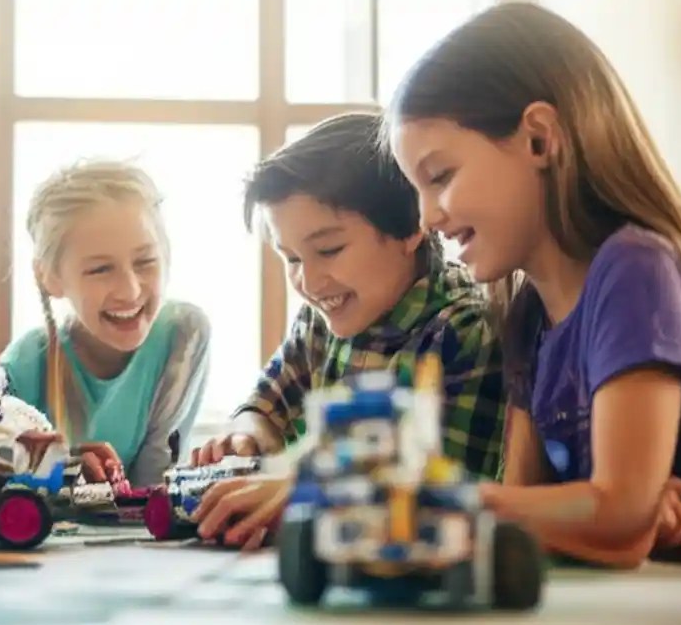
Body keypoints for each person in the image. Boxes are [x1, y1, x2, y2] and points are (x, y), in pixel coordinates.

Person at [385, 2, 681, 567]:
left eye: (440, 177)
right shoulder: (526, 318)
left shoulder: (634, 269)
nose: (428, 218)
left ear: (539, 138)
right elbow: (532, 509)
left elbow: (618, 518)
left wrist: (412, 503)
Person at [192, 112, 506, 549]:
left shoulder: (464, 331)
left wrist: (298, 491)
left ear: (412, 226)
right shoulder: (320, 322)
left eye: (329, 249)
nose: (310, 282)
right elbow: (264, 408)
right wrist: (245, 438)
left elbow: (433, 493)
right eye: (293, 259)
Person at [0, 160, 210, 488]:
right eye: (100, 269)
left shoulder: (183, 333)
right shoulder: (24, 367)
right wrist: (66, 471)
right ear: (49, 277)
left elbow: (155, 481)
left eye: (145, 261)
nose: (130, 290)